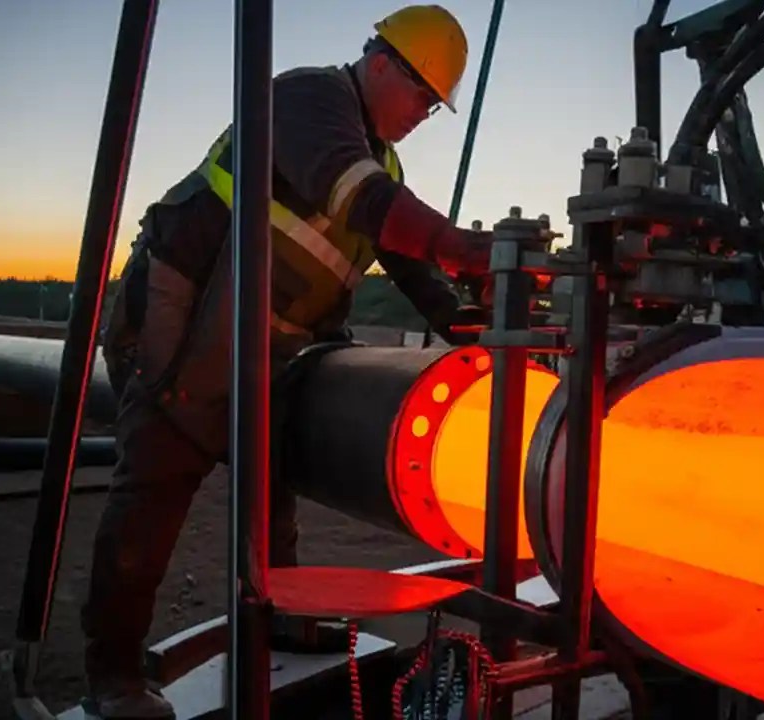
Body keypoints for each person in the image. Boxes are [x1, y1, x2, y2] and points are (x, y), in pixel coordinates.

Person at [81, 5, 492, 718]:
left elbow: (420, 280)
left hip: (257, 342)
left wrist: (492, 330)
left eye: (435, 104)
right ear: (382, 64)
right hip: (184, 319)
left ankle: (284, 619)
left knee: (272, 497)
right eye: (423, 94)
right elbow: (359, 197)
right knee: (155, 488)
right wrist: (462, 246)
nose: (426, 112)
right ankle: (114, 673)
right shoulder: (308, 99)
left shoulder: (382, 160)